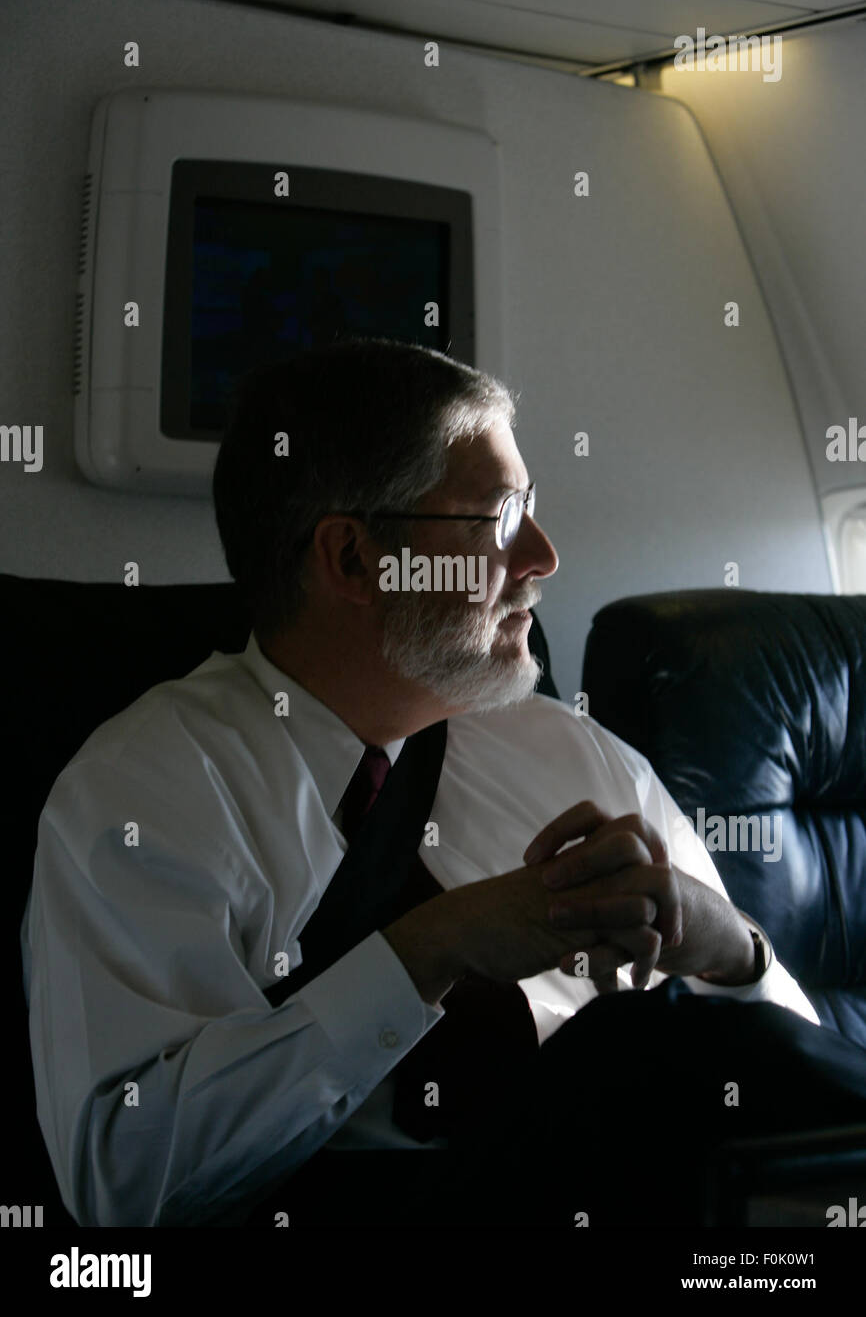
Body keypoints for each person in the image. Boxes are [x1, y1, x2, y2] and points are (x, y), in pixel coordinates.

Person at [21, 339, 865, 1230]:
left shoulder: (578, 754)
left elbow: (796, 1095)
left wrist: (731, 948)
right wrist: (433, 950)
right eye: (499, 521)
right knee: (630, 1048)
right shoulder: (144, 790)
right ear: (353, 560)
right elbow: (120, 1184)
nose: (543, 556)